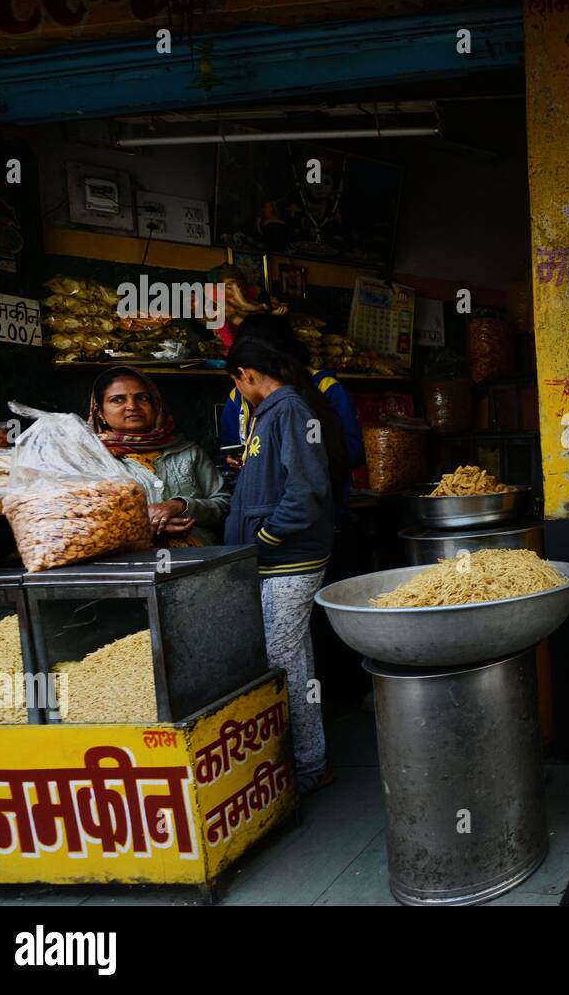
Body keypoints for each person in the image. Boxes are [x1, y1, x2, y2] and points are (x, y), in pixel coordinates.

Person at [224, 337, 350, 795]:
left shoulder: (291, 410)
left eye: (237, 385)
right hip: (273, 559)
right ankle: (301, 761)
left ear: (247, 376)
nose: (240, 393)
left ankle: (310, 765)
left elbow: (308, 489)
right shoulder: (272, 413)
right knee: (286, 655)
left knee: (286, 658)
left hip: (289, 558)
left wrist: (266, 536)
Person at [89, 366, 230, 545]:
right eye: (117, 400)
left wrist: (179, 506)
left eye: (143, 398)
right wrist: (143, 525)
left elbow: (224, 505)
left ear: (156, 405)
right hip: (129, 567)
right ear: (100, 411)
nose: (132, 406)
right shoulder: (91, 459)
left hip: (199, 559)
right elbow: (79, 518)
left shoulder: (188, 451)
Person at [218, 314, 365, 473]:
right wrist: (232, 459)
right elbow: (228, 447)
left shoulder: (323, 389)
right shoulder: (240, 393)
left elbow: (353, 450)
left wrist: (305, 458)